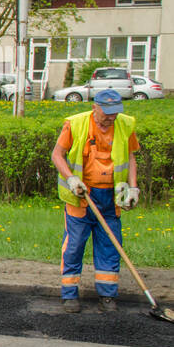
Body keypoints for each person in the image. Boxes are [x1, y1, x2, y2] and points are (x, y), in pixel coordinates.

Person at [49, 88, 139, 314]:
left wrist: (133, 187)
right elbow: (57, 155)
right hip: (81, 197)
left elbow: (130, 157)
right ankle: (70, 295)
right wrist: (71, 179)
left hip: (110, 198)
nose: (110, 118)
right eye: (106, 113)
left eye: (115, 113)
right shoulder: (76, 124)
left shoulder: (125, 125)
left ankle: (107, 296)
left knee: (110, 246)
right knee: (74, 246)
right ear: (94, 107)